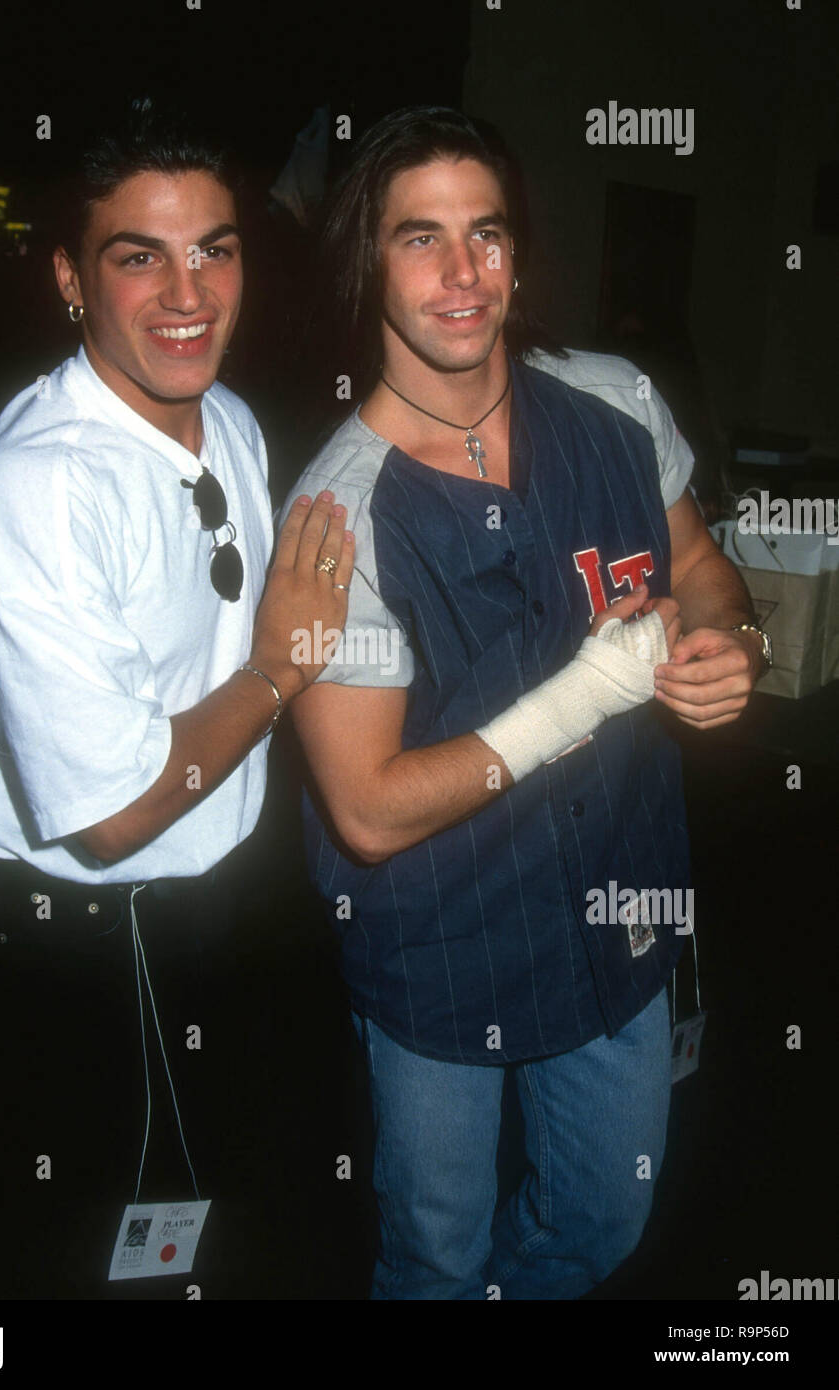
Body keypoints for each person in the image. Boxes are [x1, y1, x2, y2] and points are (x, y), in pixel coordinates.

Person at [284, 106, 770, 1301]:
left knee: (605, 1219)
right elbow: (369, 813)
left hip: (622, 913)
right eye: (420, 238)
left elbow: (701, 565)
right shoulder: (341, 516)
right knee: (435, 1261)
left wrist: (730, 635)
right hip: (440, 952)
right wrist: (590, 695)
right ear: (365, 261)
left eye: (486, 233)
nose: (463, 274)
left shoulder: (613, 402)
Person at [0, 98, 352, 1293]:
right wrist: (279, 667)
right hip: (84, 956)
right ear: (71, 278)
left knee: (236, 1230)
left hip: (226, 910)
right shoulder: (37, 486)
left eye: (214, 248)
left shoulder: (233, 421)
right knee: (83, 1260)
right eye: (139, 256)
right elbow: (111, 815)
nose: (189, 293)